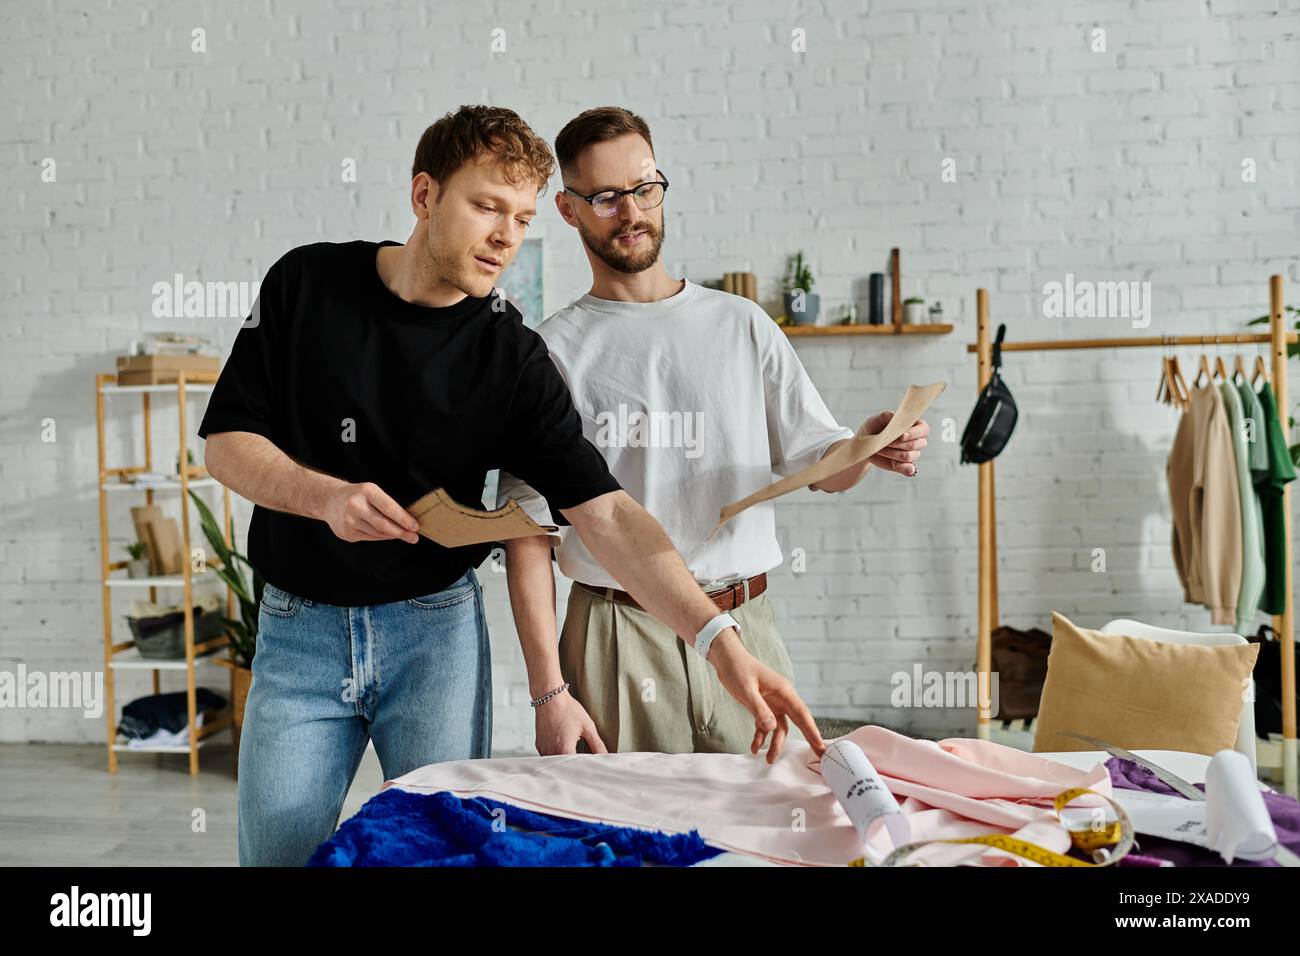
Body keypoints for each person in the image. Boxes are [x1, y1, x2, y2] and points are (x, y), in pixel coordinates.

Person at [198, 104, 825, 867]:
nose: (506, 235)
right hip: (300, 630)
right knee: (280, 857)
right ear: (424, 195)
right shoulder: (306, 282)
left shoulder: (512, 356)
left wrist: (720, 642)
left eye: (524, 218)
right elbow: (227, 445)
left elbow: (609, 516)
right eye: (487, 206)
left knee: (443, 855)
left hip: (435, 636)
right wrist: (324, 496)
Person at [497, 106, 930, 756]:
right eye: (607, 197)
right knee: (630, 839)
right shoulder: (550, 351)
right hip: (618, 632)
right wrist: (549, 694)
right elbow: (527, 531)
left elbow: (825, 468)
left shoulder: (743, 325)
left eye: (645, 188)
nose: (632, 211)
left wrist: (867, 444)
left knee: (766, 831)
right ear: (568, 208)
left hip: (745, 621)